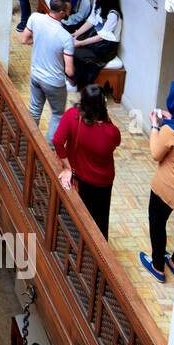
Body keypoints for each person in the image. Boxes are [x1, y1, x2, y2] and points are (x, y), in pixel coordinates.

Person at [140, 81, 174, 284]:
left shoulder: (170, 132)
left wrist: (155, 126)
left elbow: (156, 153)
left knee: (157, 223)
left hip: (165, 188)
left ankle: (157, 266)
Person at [52, 85, 123, 238]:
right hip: (102, 182)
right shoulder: (110, 132)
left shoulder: (73, 116)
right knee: (100, 220)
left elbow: (57, 141)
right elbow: (117, 141)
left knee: (79, 216)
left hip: (80, 178)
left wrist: (67, 167)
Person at [19, 0, 75, 144]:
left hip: (36, 75)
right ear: (62, 13)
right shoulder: (65, 37)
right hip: (54, 82)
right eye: (68, 10)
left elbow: (24, 39)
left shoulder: (35, 18)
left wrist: (39, 42)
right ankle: (50, 151)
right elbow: (69, 71)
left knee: (35, 109)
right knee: (57, 114)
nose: (70, 13)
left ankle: (28, 143)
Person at [69, 0, 123, 91]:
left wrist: (80, 42)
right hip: (94, 35)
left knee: (77, 51)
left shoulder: (113, 14)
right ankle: (71, 77)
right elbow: (91, 21)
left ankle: (78, 82)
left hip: (105, 45)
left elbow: (102, 36)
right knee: (69, 44)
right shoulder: (97, 3)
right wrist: (75, 33)